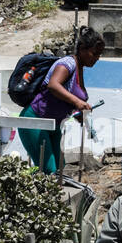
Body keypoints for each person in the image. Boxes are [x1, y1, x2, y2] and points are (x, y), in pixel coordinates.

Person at [17, 25, 105, 174]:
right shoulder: (67, 64)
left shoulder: (80, 69)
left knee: (60, 171)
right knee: (49, 171)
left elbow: (65, 100)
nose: (97, 58)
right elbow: (53, 85)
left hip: (54, 126)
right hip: (35, 121)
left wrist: (79, 113)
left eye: (99, 55)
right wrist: (77, 102)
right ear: (82, 48)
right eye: (94, 53)